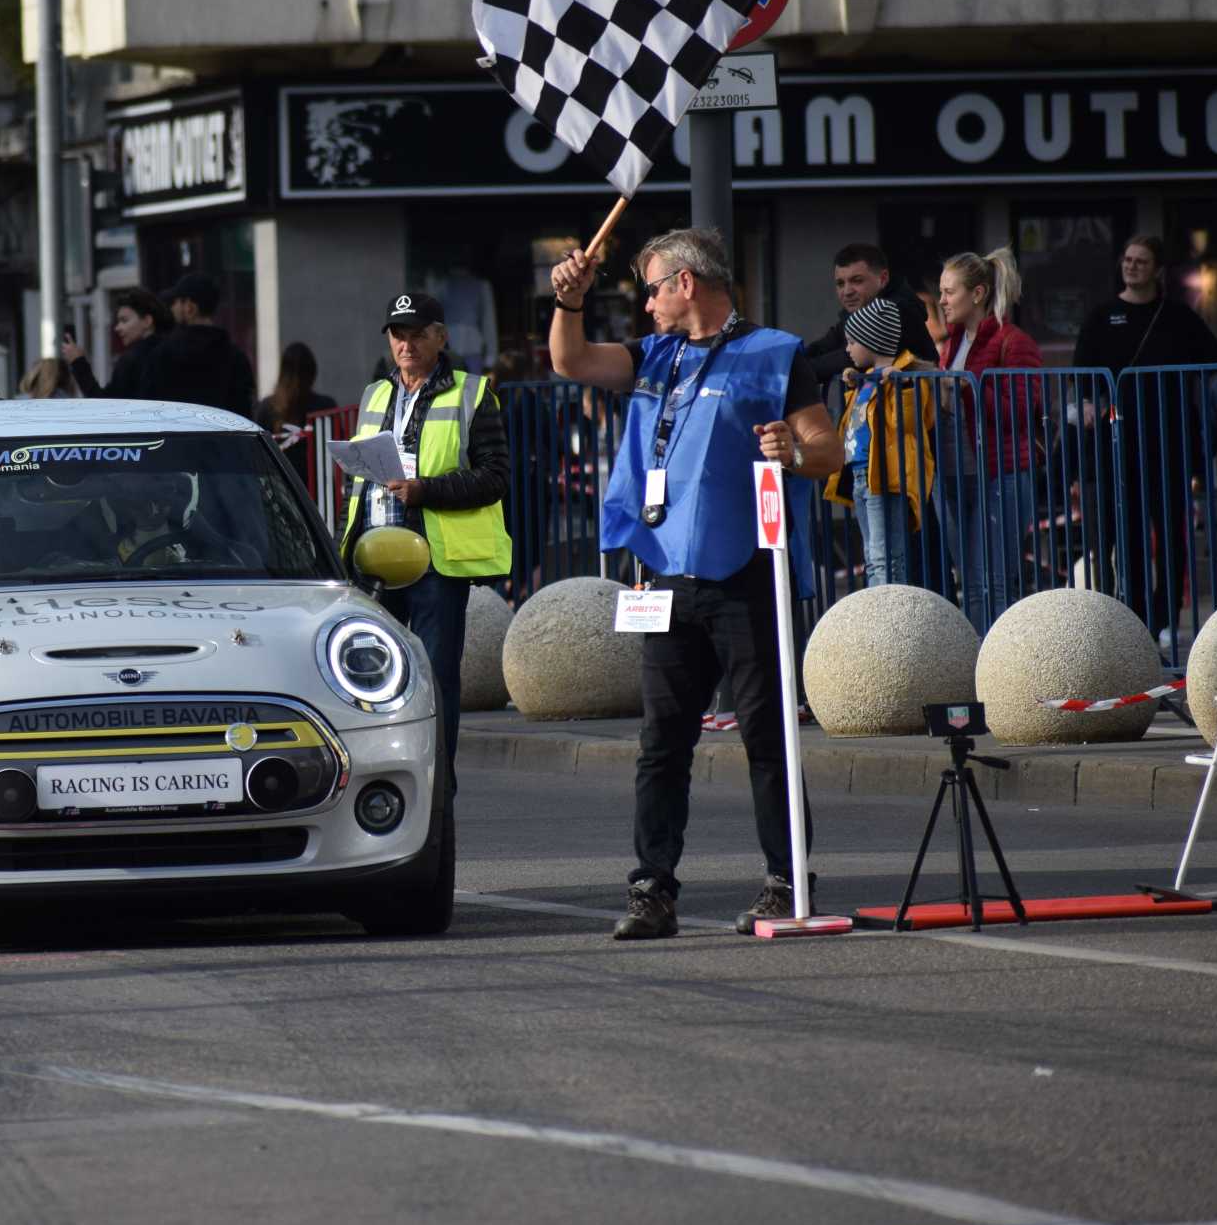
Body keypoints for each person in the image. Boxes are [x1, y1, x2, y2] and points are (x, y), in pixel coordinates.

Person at [549, 227, 843, 941]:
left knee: (767, 738)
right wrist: (570, 301)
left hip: (745, 574)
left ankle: (787, 881)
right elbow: (570, 360)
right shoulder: (656, 355)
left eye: (651, 288)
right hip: (664, 576)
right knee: (661, 745)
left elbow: (827, 449)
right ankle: (651, 890)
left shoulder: (774, 352)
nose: (646, 304)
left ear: (685, 283)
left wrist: (791, 451)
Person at [335, 291, 511, 785]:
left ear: (441, 337)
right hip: (374, 557)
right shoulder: (376, 394)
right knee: (371, 677)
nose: (406, 345)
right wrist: (342, 548)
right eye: (398, 335)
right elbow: (357, 483)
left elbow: (496, 477)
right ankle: (381, 777)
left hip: (435, 561)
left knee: (434, 678)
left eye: (417, 335)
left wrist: (425, 490)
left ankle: (435, 787)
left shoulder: (472, 393)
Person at [1071, 234, 1217, 639]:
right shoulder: (1102, 316)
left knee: (1172, 535)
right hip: (1120, 446)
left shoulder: (1177, 317)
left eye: (1141, 261)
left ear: (1157, 270)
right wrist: (1086, 403)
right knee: (1130, 537)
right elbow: (1081, 372)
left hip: (1170, 443)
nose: (1132, 266)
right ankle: (1137, 621)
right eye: (1127, 259)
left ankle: (1166, 617)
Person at [919, 248, 1043, 631]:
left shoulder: (1012, 340)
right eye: (941, 291)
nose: (942, 301)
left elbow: (1022, 411)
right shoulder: (954, 343)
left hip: (998, 474)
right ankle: (977, 658)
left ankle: (998, 658)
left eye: (949, 292)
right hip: (955, 476)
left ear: (977, 294)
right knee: (972, 583)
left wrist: (966, 388)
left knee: (994, 583)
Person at [821, 298, 932, 587]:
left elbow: (908, 423)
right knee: (872, 555)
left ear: (871, 341)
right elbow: (858, 422)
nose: (847, 350)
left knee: (886, 557)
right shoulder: (867, 380)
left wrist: (902, 387)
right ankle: (876, 606)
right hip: (862, 475)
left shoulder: (904, 378)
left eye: (851, 342)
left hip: (885, 479)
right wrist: (852, 387)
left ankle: (888, 608)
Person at [803, 244, 938, 386]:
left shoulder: (892, 311)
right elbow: (824, 345)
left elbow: (850, 356)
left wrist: (797, 372)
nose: (847, 291)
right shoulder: (858, 312)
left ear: (883, 279)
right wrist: (792, 359)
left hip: (916, 398)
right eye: (840, 283)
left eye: (857, 280)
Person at [141, 271, 256, 418]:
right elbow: (244, 411)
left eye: (176, 302)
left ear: (190, 307)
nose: (172, 308)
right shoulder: (236, 357)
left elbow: (149, 408)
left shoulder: (162, 355)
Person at [61, 289, 172, 400]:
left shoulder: (133, 359)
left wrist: (78, 362)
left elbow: (106, 403)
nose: (117, 328)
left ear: (147, 321)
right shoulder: (172, 350)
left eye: (124, 320)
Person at [254, 342, 338, 435]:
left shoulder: (267, 408)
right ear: (312, 374)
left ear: (282, 374)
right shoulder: (325, 407)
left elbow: (255, 442)